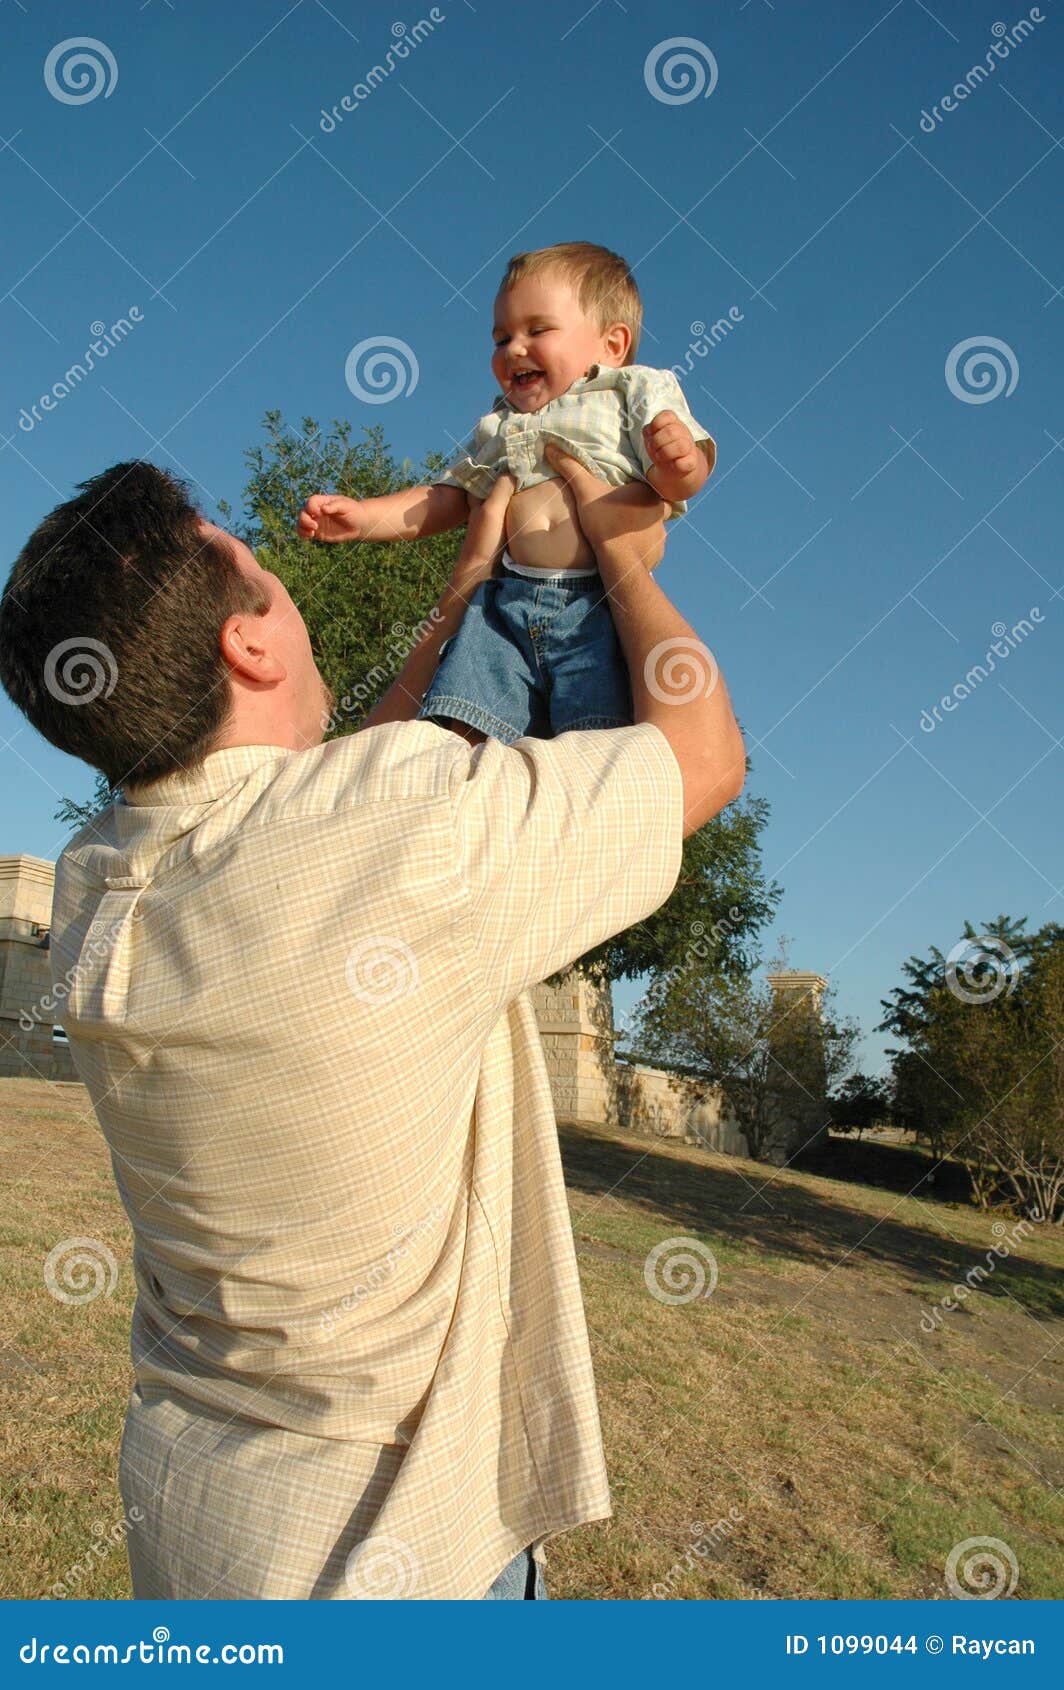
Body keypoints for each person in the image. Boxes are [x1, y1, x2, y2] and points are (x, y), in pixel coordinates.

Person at [0, 449, 744, 1599]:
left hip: (195, 1506)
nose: (278, 579)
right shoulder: (400, 833)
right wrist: (626, 561)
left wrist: (460, 596)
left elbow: (316, 799)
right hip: (390, 1546)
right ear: (247, 643)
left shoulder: (100, 882)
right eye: (255, 565)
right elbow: (702, 759)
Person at [297, 241, 716, 744]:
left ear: (612, 345)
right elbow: (447, 496)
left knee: (595, 740)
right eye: (501, 338)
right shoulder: (501, 423)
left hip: (597, 603)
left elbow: (678, 479)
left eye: (538, 330)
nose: (513, 349)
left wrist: (680, 460)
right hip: (503, 600)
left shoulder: (632, 390)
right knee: (464, 726)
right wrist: (365, 518)